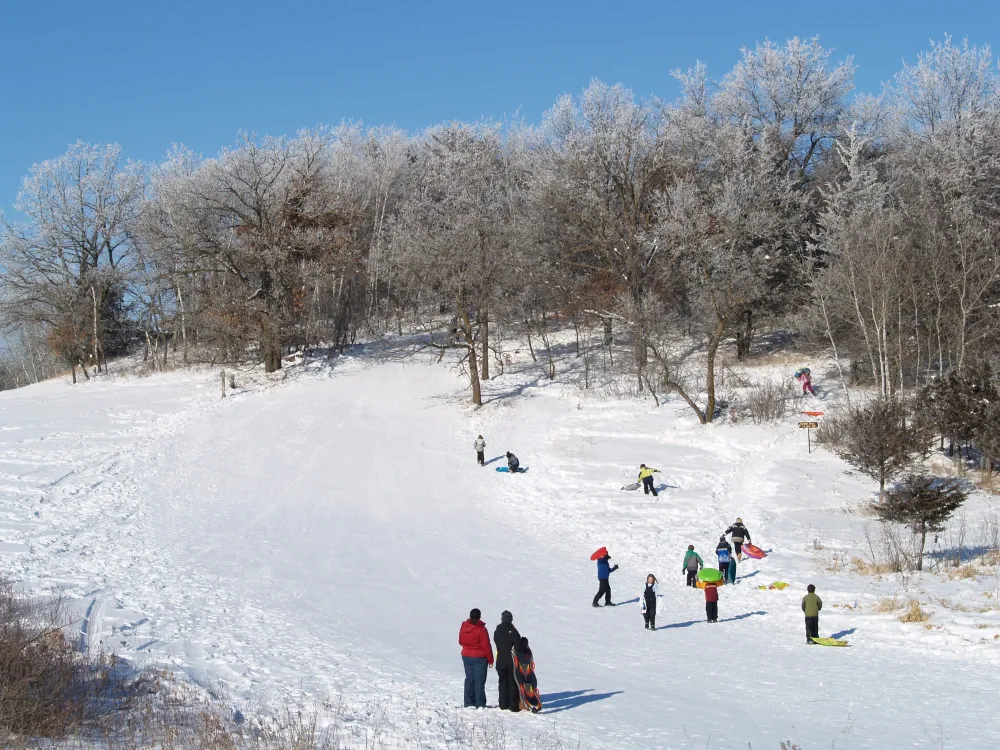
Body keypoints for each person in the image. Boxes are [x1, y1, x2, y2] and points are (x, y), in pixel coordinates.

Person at [459, 608, 493, 707]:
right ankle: (480, 703)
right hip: (479, 658)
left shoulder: (464, 626)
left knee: (469, 679)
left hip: (466, 656)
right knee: (479, 681)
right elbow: (486, 645)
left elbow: (460, 641)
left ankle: (468, 702)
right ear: (479, 617)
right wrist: (490, 659)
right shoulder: (481, 629)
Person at [493, 610, 521, 711]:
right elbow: (518, 646)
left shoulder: (497, 630)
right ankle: (513, 706)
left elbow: (496, 641)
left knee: (502, 682)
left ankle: (503, 704)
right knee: (512, 683)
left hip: (500, 660)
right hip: (511, 661)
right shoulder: (513, 631)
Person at [512, 636, 542, 713]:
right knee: (530, 689)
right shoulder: (528, 651)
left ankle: (525, 704)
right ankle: (534, 703)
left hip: (520, 672)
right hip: (529, 674)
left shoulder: (517, 651)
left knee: (522, 688)